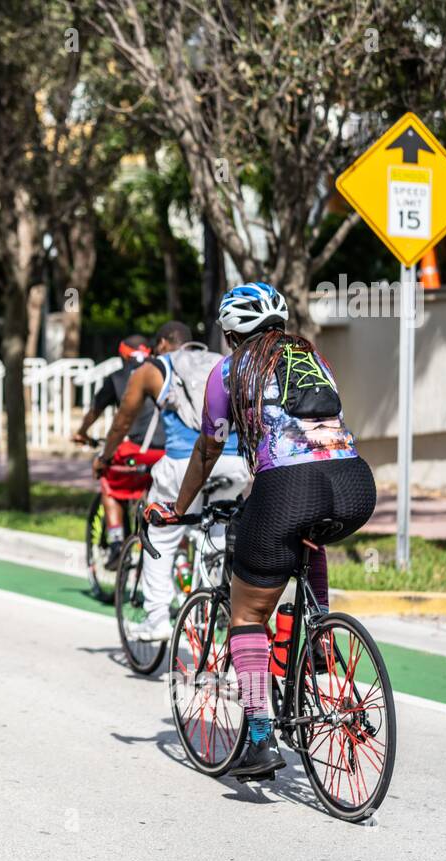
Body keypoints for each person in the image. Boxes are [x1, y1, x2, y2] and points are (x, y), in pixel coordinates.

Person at [146, 283, 375, 780]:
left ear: (230, 333)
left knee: (249, 613)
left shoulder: (229, 371)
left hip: (290, 485)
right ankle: (318, 637)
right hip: (355, 483)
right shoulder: (314, 359)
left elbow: (208, 449)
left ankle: (257, 732)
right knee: (306, 534)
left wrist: (175, 507)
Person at [98, 320, 250, 641]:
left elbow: (124, 418)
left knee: (160, 533)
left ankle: (156, 619)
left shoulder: (155, 368)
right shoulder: (221, 363)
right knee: (215, 532)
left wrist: (105, 457)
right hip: (234, 462)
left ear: (164, 343)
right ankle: (207, 611)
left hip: (185, 462)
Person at [74, 334, 166, 570]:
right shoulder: (164, 372)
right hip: (169, 452)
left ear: (123, 355)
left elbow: (96, 410)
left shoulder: (117, 377)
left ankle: (116, 544)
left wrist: (82, 432)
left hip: (139, 450)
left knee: (107, 479)